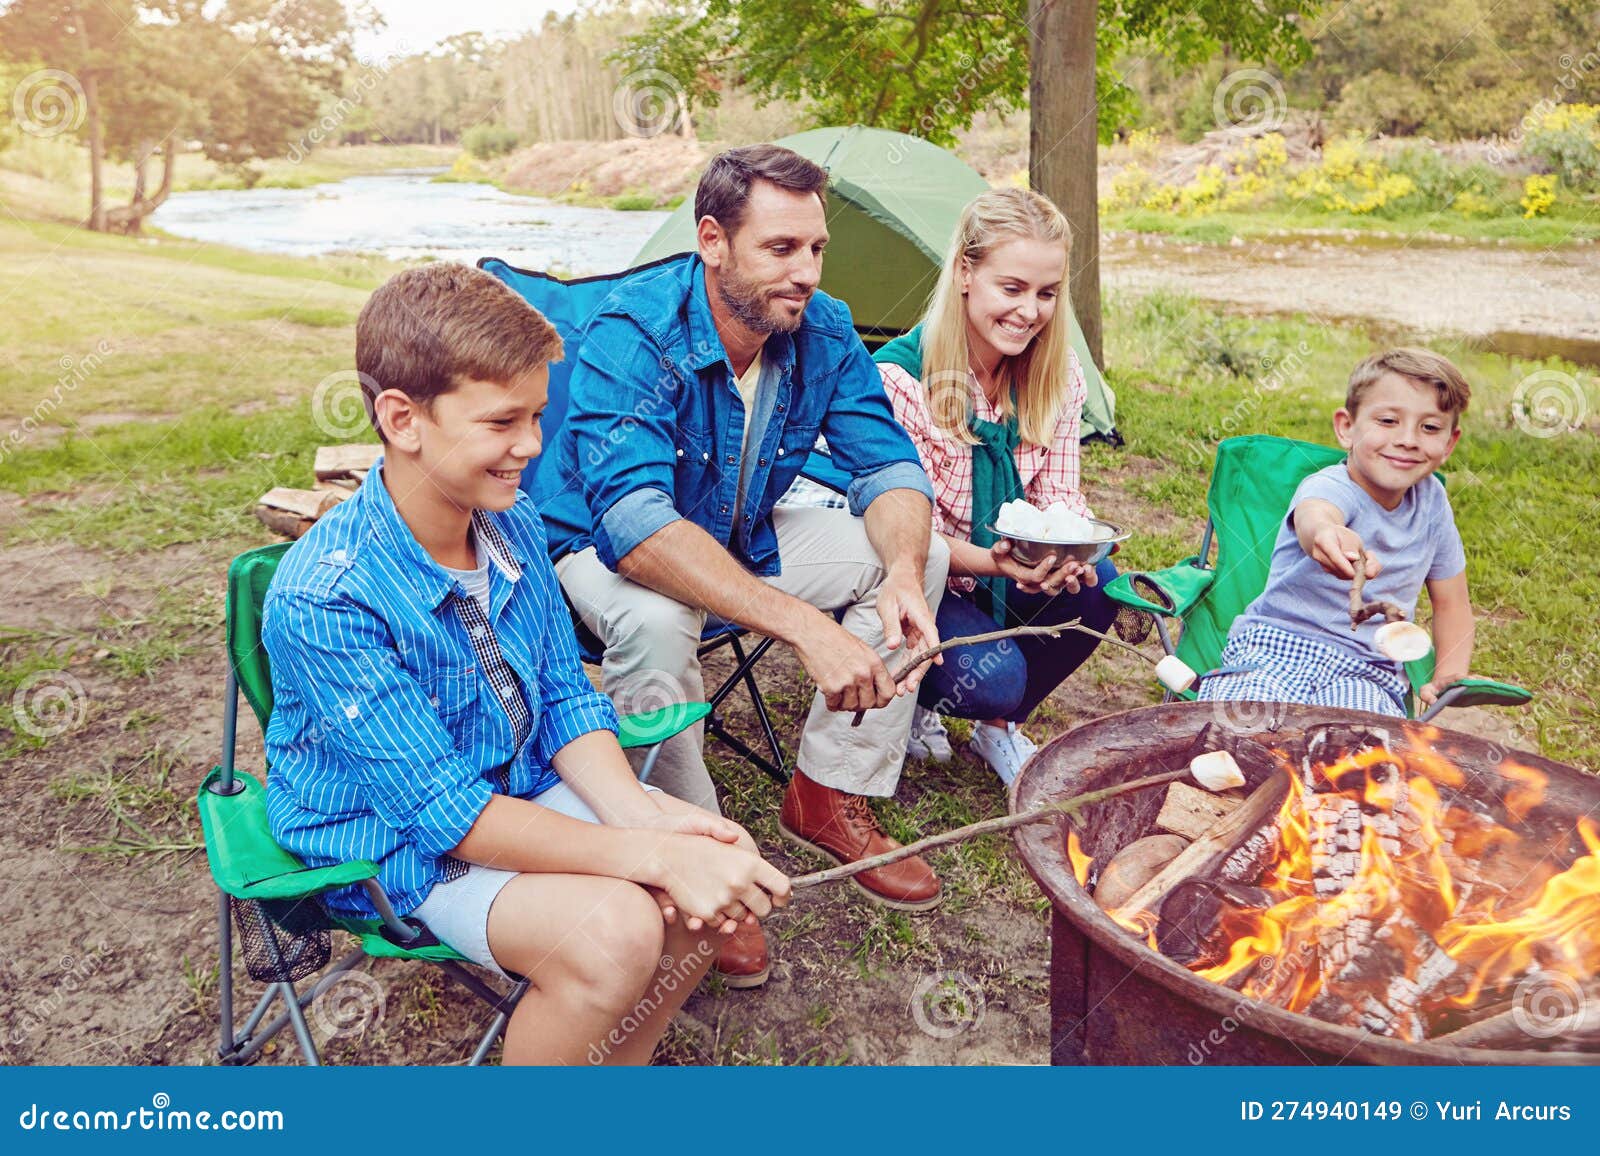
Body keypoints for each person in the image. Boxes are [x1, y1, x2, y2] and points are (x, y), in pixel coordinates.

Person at [261, 263, 789, 1065]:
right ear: (403, 419)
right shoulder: (326, 597)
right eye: (504, 422)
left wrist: (647, 820)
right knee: (613, 936)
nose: (533, 447)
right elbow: (443, 815)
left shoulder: (510, 523)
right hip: (385, 846)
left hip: (510, 784)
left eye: (538, 416)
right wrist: (647, 853)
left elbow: (564, 698)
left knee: (704, 882)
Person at [536, 144, 951, 989]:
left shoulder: (821, 327)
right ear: (712, 241)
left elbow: (889, 466)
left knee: (922, 550)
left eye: (817, 248)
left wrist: (903, 573)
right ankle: (693, 854)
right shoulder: (636, 329)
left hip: (744, 533)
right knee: (657, 622)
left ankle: (827, 792)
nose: (807, 272)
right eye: (781, 249)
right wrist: (802, 626)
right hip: (597, 549)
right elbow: (636, 525)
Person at [874, 188, 1118, 785]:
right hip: (931, 578)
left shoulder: (1054, 373)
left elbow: (1060, 491)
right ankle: (918, 701)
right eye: (1011, 289)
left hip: (1008, 564)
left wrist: (1065, 548)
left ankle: (1000, 730)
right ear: (964, 273)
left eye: (1046, 293)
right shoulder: (900, 380)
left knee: (1102, 584)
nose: (1029, 312)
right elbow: (911, 534)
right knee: (993, 676)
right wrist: (994, 562)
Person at [1198, 348, 1475, 716]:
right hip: (1273, 647)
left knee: (1361, 749)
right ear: (1346, 427)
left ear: (1449, 443)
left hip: (1369, 668)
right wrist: (1328, 535)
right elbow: (1316, 515)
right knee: (1238, 720)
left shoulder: (1433, 506)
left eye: (1429, 428)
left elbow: (1452, 602)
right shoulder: (1331, 485)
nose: (1408, 439)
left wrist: (1450, 674)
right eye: (1389, 421)